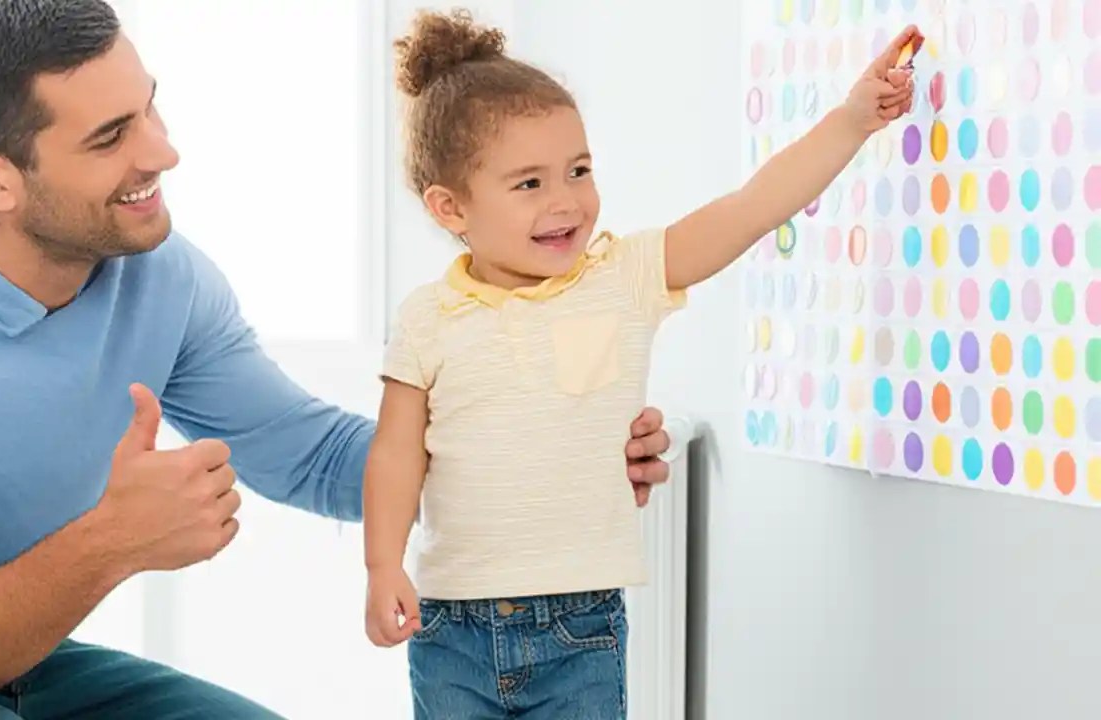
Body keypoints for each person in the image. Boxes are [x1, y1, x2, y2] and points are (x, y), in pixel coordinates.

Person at [0, 1, 676, 718]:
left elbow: (311, 454)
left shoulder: (160, 278)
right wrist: (113, 542)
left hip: (23, 653)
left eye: (150, 108)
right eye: (111, 135)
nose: (161, 152)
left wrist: (543, 452)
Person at [361, 9, 921, 719]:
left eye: (579, 170)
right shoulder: (425, 319)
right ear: (450, 208)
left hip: (580, 628)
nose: (566, 199)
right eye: (529, 184)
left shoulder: (622, 277)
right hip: (452, 630)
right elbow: (394, 455)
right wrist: (383, 566)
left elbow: (751, 209)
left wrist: (850, 120)